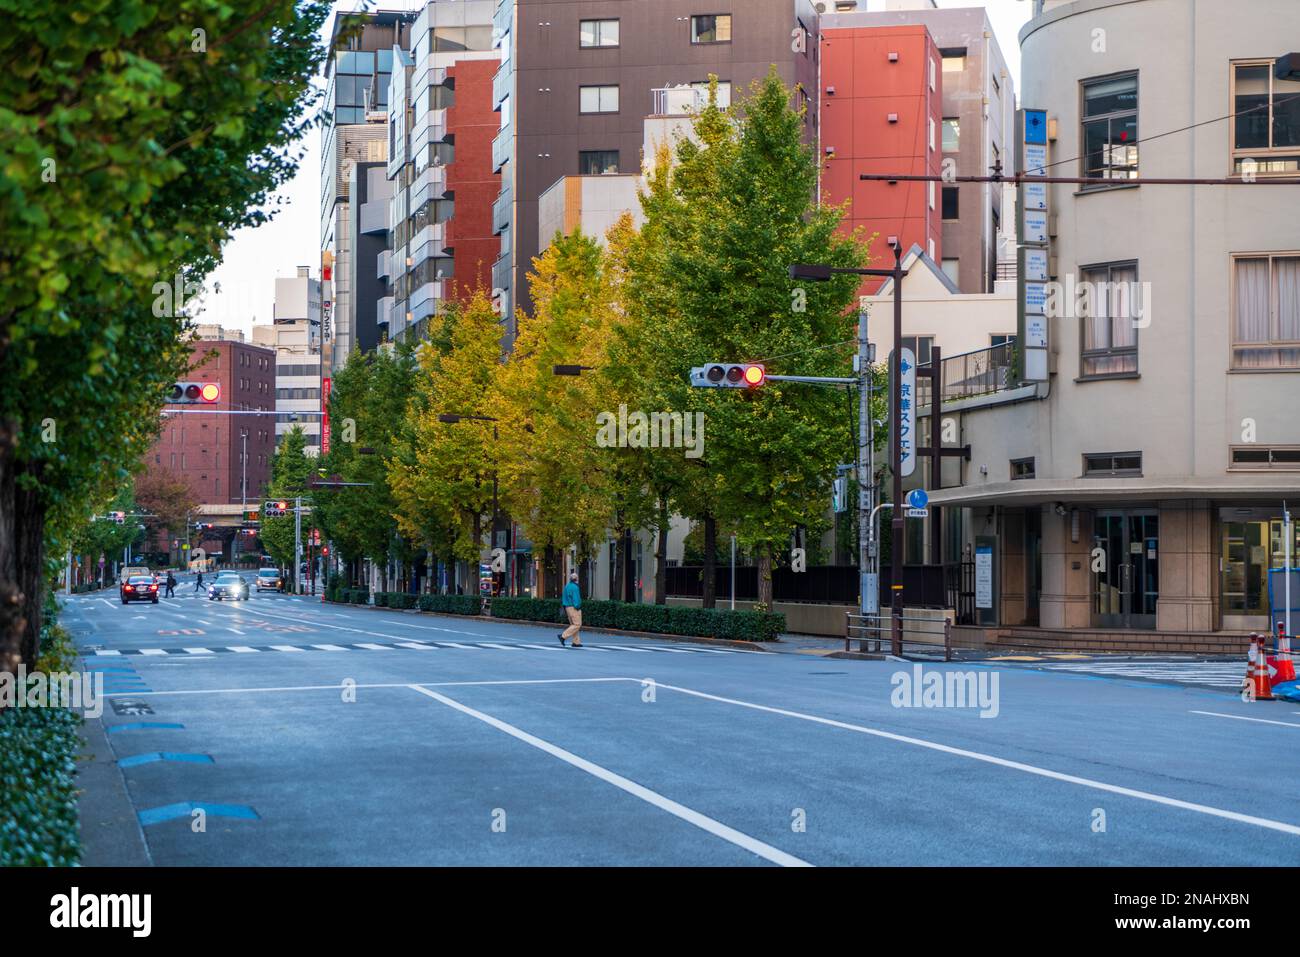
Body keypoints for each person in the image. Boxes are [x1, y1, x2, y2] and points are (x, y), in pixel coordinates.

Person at [558, 571, 583, 648]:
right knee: (577, 624)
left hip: (567, 607)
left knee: (573, 625)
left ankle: (576, 642)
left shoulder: (567, 586)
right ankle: (563, 636)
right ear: (576, 579)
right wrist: (578, 606)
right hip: (574, 607)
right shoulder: (575, 587)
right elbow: (576, 599)